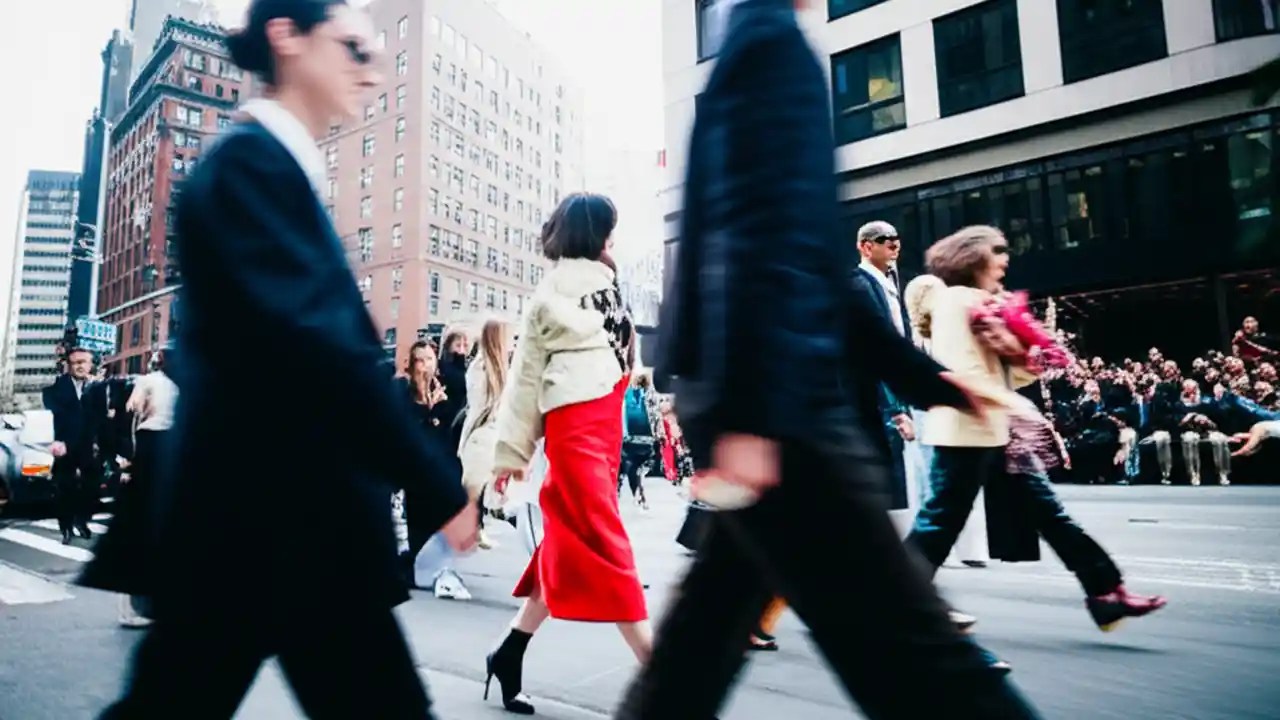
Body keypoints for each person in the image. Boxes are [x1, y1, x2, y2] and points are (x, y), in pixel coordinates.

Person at [617, 2, 1041, 718]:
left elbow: (802, 266)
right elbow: (758, 240)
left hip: (765, 410)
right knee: (921, 659)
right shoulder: (771, 43)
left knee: (695, 655)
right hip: (787, 421)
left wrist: (933, 382)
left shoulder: (752, 38)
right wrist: (754, 412)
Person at [79, 2, 476, 717]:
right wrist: (439, 484)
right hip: (271, 522)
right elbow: (323, 351)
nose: (374, 67)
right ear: (287, 39)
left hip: (272, 525)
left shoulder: (275, 169)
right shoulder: (246, 168)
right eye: (354, 47)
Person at [907, 226, 1166, 633]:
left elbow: (1007, 374)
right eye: (998, 251)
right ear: (973, 257)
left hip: (996, 431)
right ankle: (897, 601)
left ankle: (1106, 592)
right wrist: (1019, 405)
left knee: (1049, 515)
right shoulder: (955, 302)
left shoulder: (984, 302)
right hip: (966, 430)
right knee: (940, 522)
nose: (1006, 258)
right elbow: (963, 373)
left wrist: (1030, 360)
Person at [485, 193, 650, 715]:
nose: (613, 239)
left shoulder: (610, 285)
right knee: (603, 540)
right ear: (594, 233)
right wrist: (511, 451)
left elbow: (626, 362)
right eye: (609, 229)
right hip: (577, 428)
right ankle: (665, 674)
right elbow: (524, 378)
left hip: (603, 427)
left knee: (567, 540)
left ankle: (507, 653)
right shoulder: (551, 293)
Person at [398, 340, 470, 599]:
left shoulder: (444, 394)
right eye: (421, 360)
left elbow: (449, 431)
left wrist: (438, 406)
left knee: (442, 518)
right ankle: (412, 566)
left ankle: (439, 567)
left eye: (430, 359)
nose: (426, 366)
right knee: (416, 530)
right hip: (414, 472)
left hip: (439, 469)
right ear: (411, 365)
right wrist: (428, 410)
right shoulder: (403, 393)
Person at [458, 318, 512, 550]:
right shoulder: (481, 368)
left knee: (476, 494)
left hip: (489, 434)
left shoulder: (497, 368)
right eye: (507, 337)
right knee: (469, 496)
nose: (511, 343)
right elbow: (481, 405)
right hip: (481, 435)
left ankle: (475, 531)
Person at [42, 347, 99, 545]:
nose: (80, 366)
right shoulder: (57, 387)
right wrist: (58, 440)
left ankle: (82, 521)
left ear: (91, 364)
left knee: (91, 486)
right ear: (69, 366)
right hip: (64, 444)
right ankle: (66, 528)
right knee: (64, 487)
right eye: (76, 362)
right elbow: (53, 412)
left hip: (88, 445)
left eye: (84, 362)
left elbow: (99, 418)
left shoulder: (96, 387)